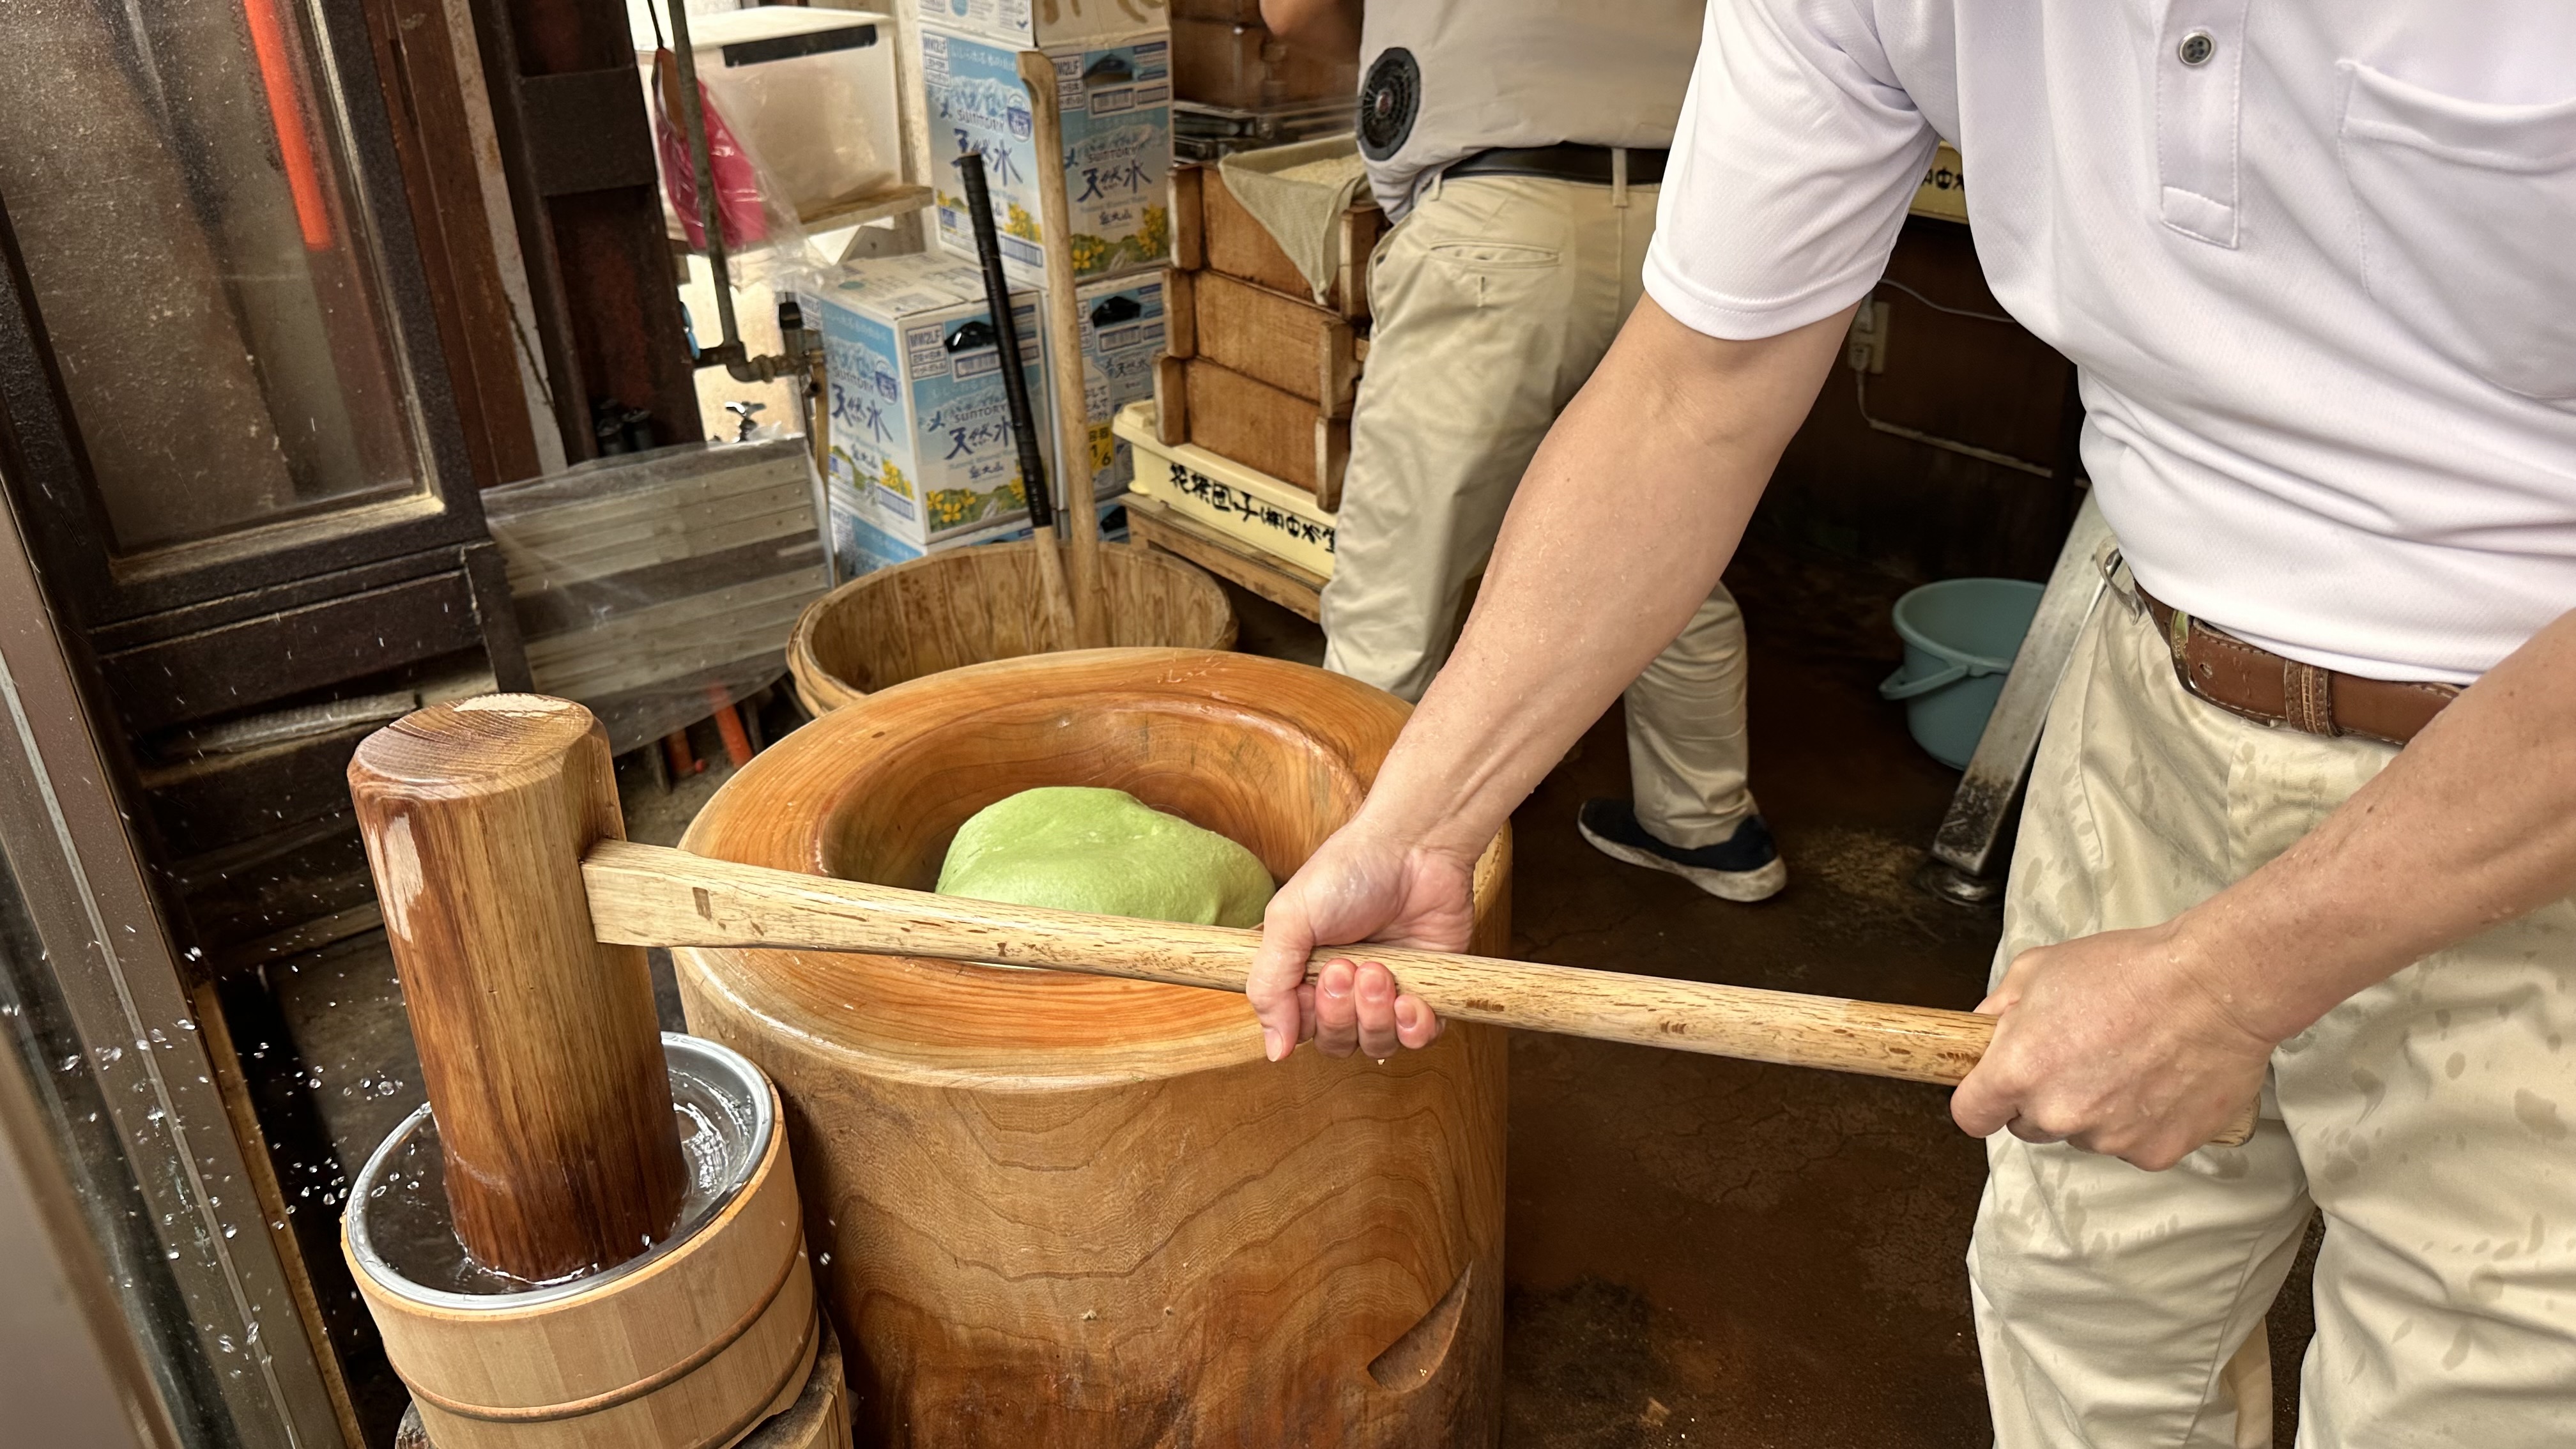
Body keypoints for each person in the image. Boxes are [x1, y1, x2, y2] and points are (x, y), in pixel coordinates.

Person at [1246, 6, 2576, 1445]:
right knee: (2083, 1320)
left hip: (2523, 784)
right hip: (2148, 694)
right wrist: (1423, 818)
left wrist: (2228, 980)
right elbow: (1692, 397)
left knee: (2481, 1393)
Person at [1261, 0, 1786, 902]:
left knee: (1402, 577)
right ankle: (1707, 826)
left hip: (1498, 215)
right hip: (1693, 220)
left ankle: (1342, 866)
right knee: (1660, 543)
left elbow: (1295, 12)